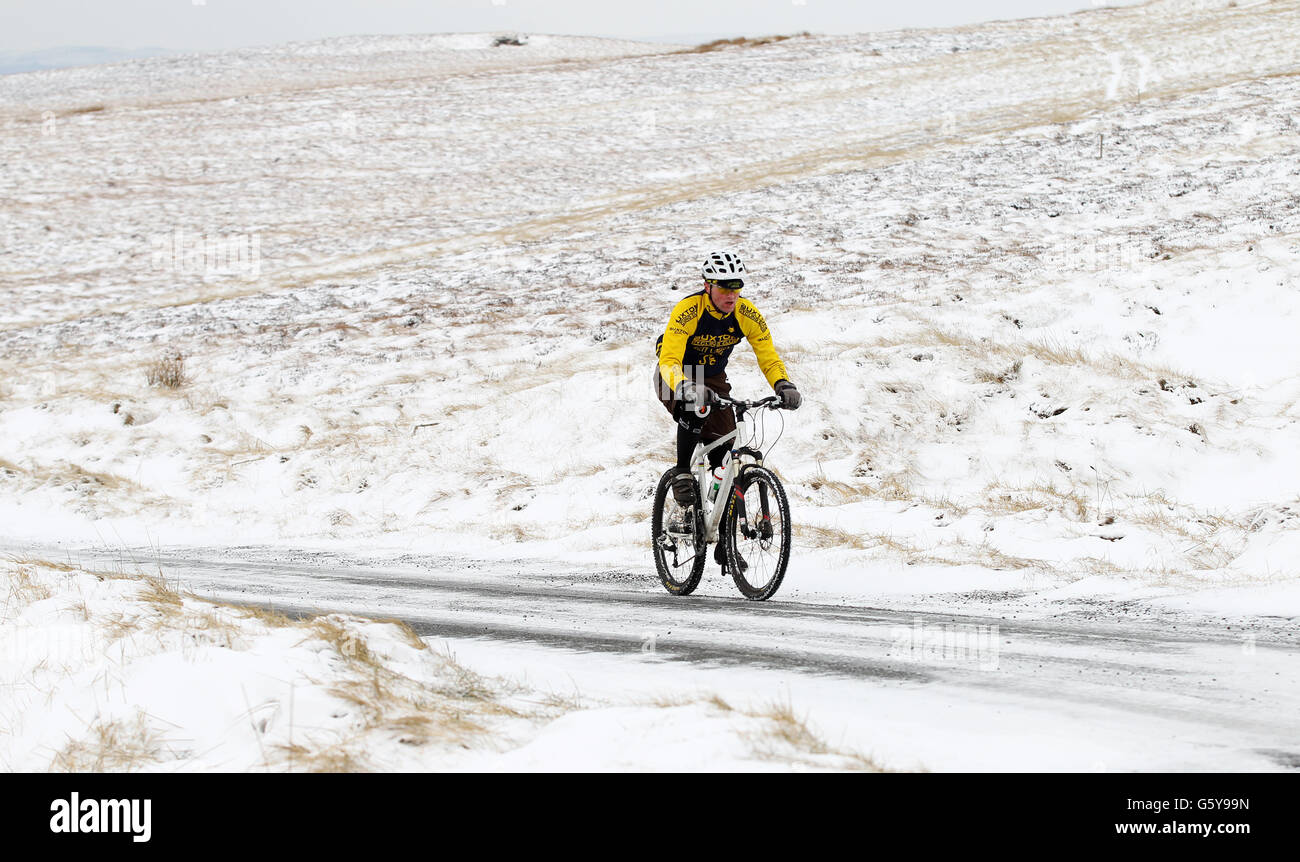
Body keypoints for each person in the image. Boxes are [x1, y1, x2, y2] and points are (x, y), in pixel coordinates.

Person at [653, 251, 801, 564]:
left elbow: (768, 355)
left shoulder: (746, 312)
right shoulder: (688, 310)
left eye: (737, 285)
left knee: (725, 455)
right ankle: (682, 472)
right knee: (697, 407)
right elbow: (668, 360)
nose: (731, 293)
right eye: (724, 286)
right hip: (679, 373)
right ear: (708, 286)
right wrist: (684, 386)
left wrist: (783, 385)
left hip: (713, 377)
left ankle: (724, 542)